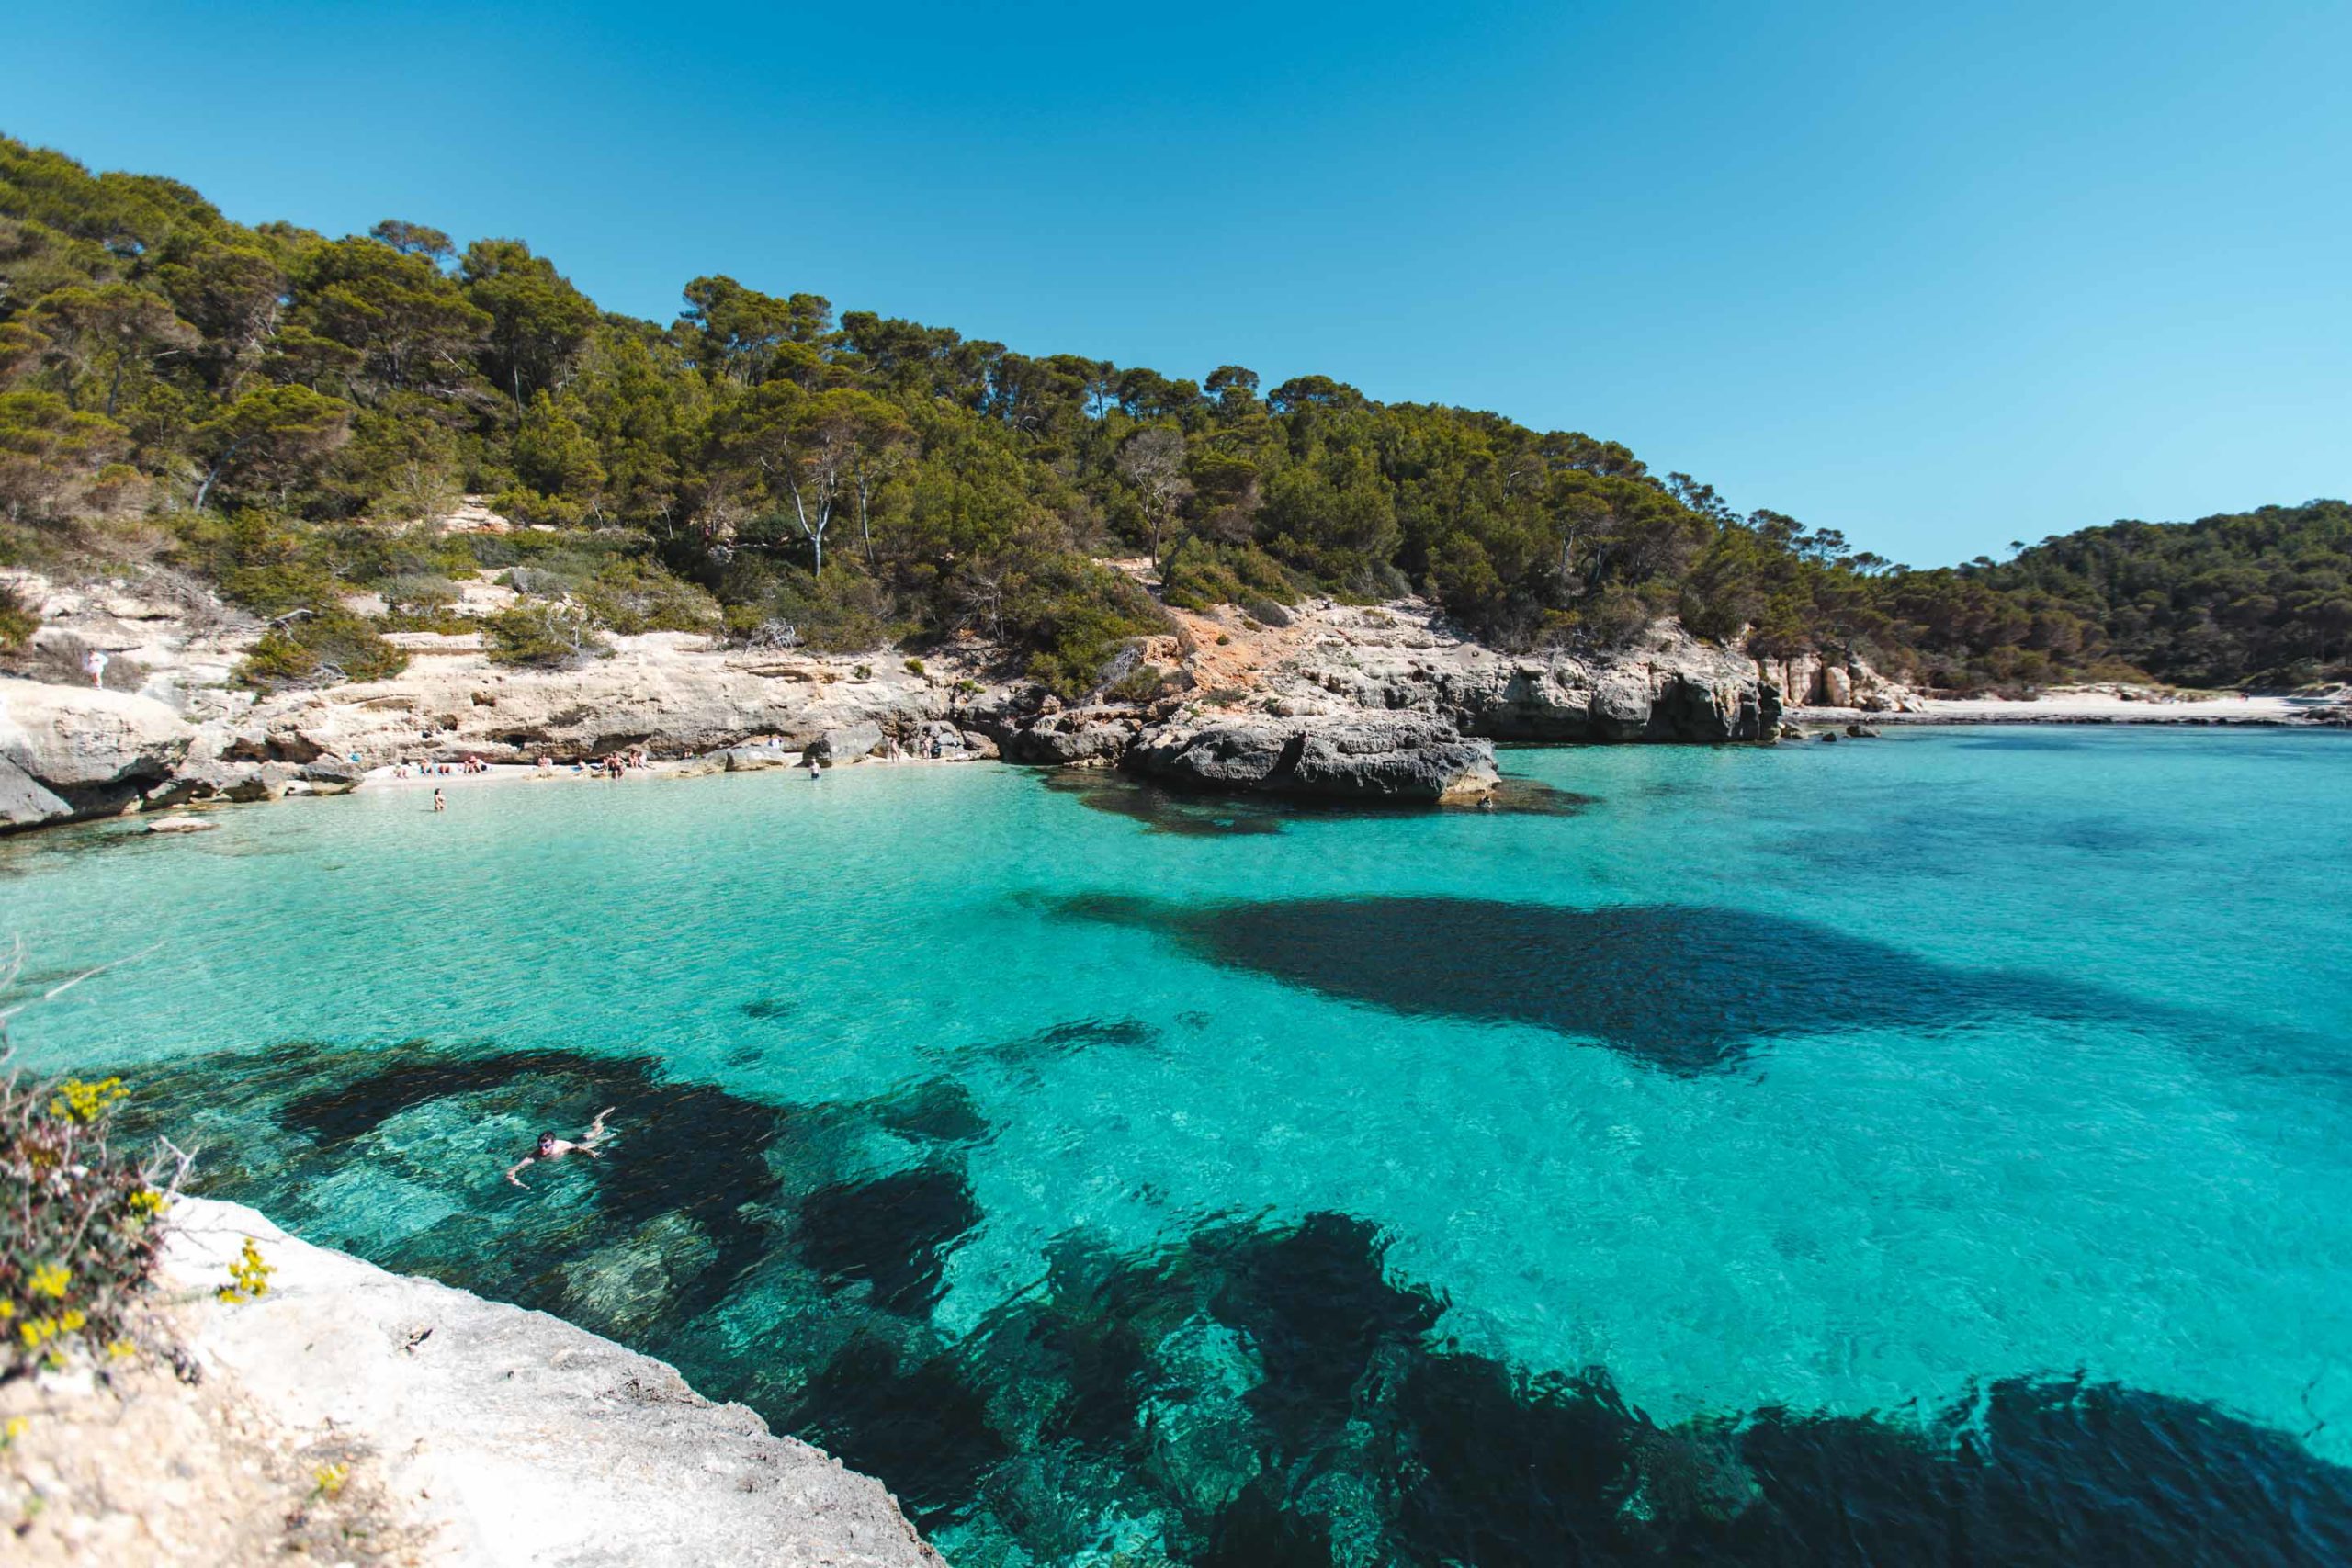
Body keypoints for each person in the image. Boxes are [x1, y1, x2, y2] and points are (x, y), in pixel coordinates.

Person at [504, 1107, 617, 1188]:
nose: (543, 1148)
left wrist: (591, 1153)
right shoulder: (536, 1155)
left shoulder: (560, 1147)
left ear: (552, 1144)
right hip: (572, 1146)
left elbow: (578, 1149)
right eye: (540, 1145)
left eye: (547, 1145)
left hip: (575, 1145)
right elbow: (513, 1170)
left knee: (597, 1133)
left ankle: (599, 1118)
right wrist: (515, 1181)